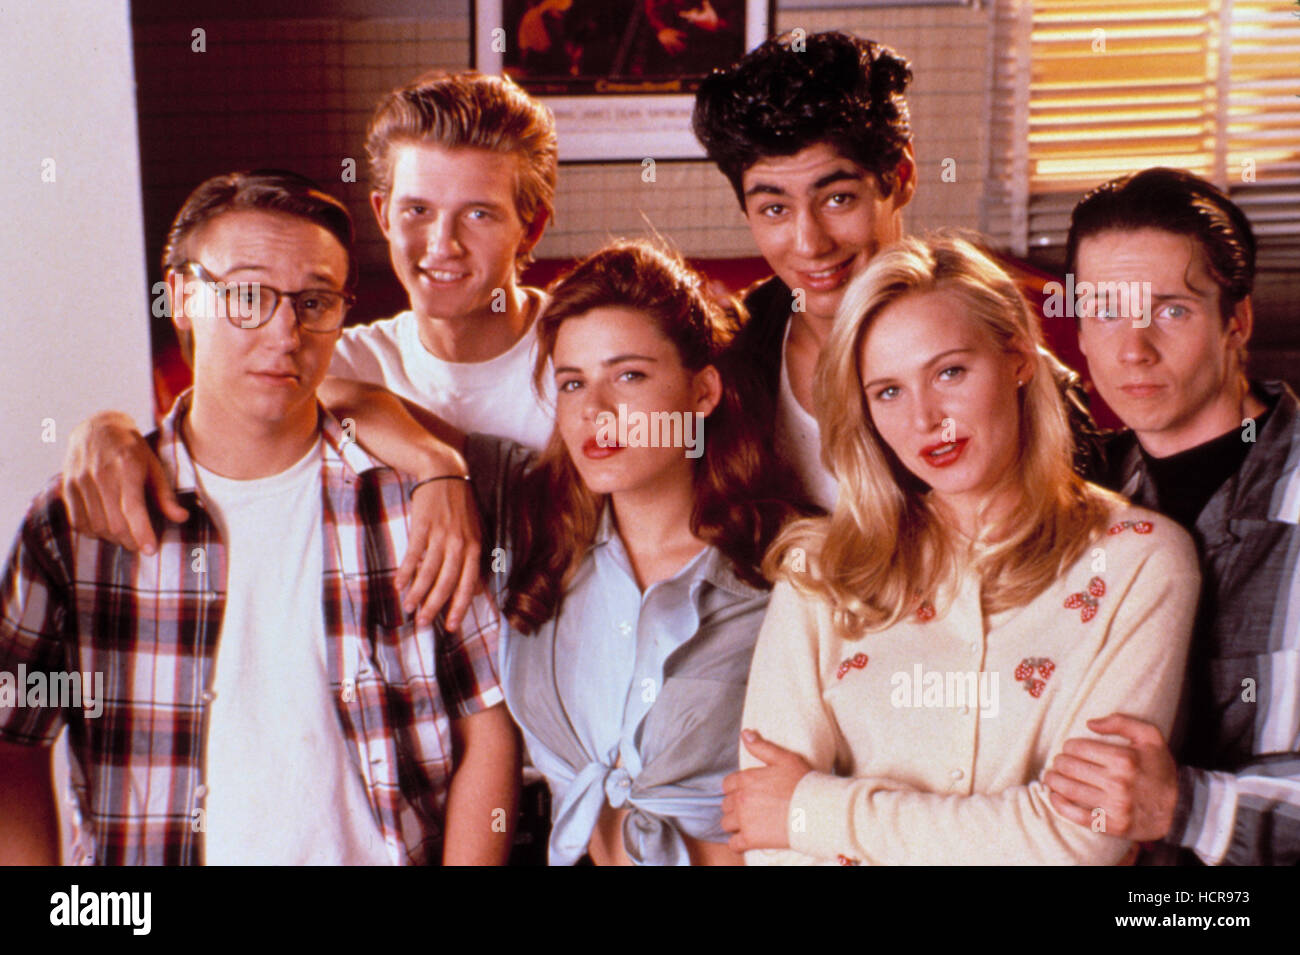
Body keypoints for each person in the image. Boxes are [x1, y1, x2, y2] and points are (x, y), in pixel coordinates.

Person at [0, 170, 517, 865]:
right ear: (182, 297)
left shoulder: (411, 507)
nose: (284, 331)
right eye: (246, 295)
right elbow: (12, 738)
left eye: (314, 300)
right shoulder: (79, 523)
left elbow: (486, 721)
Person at [719, 234, 1200, 865]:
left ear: (1019, 359)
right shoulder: (819, 571)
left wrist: (821, 810)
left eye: (949, 372)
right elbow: (770, 841)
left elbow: (1081, 839)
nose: (925, 420)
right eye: (887, 391)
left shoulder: (1141, 560)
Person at [358, 240, 810, 864]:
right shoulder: (529, 515)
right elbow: (332, 398)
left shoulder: (788, 564)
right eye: (573, 383)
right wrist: (439, 467)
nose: (595, 411)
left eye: (628, 376)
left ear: (702, 393)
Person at [59, 70, 559, 632]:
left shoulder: (589, 362)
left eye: (479, 213)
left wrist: (440, 461)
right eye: (417, 210)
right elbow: (213, 423)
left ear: (532, 227)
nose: (442, 245)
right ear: (383, 214)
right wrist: (105, 429)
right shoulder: (330, 357)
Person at [692, 30, 1102, 508]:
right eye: (775, 210)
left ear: (901, 177)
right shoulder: (732, 358)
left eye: (838, 199)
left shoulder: (1027, 386)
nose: (810, 243)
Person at [1045, 168, 1300, 866]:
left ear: (1236, 321)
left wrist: (1185, 806)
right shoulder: (1066, 492)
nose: (1133, 349)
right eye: (1105, 309)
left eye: (1171, 309)